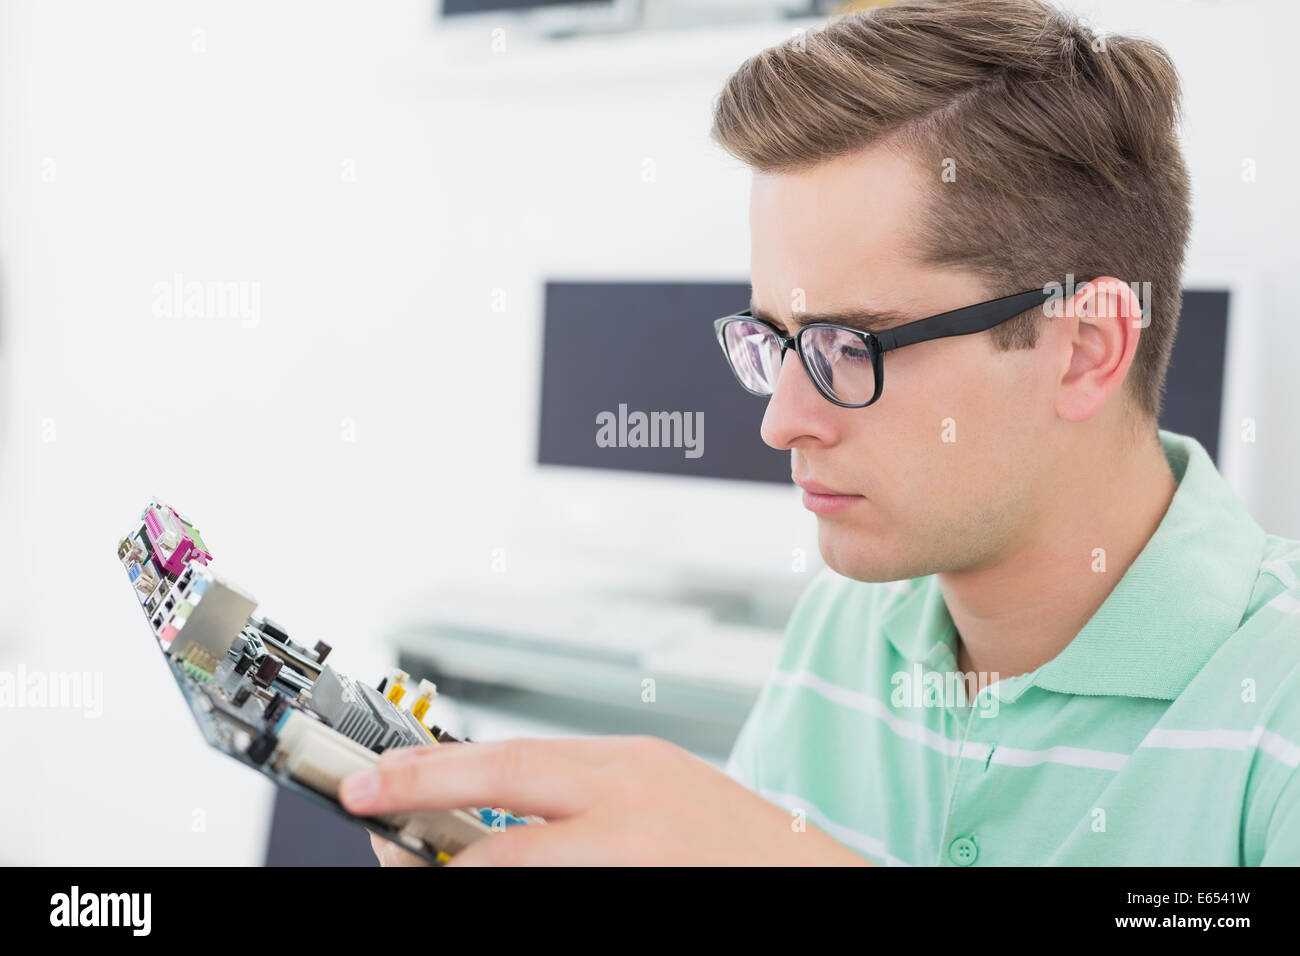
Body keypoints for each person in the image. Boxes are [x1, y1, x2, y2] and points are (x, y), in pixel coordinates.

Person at [341, 0, 1300, 865]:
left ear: (1085, 348)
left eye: (851, 345)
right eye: (778, 341)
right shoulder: (850, 628)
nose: (779, 422)